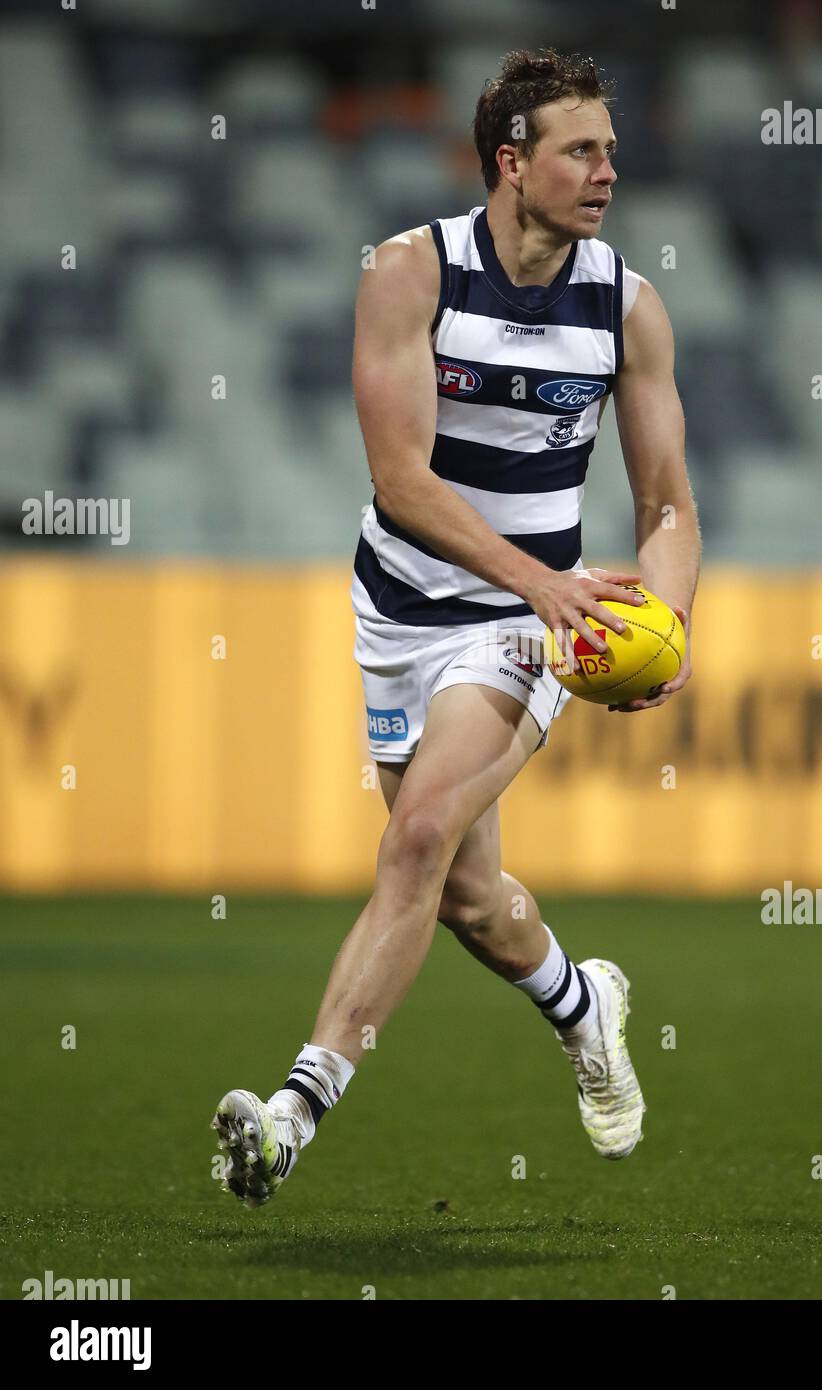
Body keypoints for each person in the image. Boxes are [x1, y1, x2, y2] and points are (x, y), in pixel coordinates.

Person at [212, 48, 700, 1206]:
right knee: (473, 897)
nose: (604, 173)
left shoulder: (627, 305)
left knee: (419, 834)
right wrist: (543, 579)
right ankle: (586, 1007)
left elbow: (667, 503)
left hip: (528, 627)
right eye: (580, 151)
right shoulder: (405, 272)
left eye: (612, 153)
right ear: (510, 162)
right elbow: (403, 484)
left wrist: (663, 624)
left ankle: (290, 1114)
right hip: (402, 608)